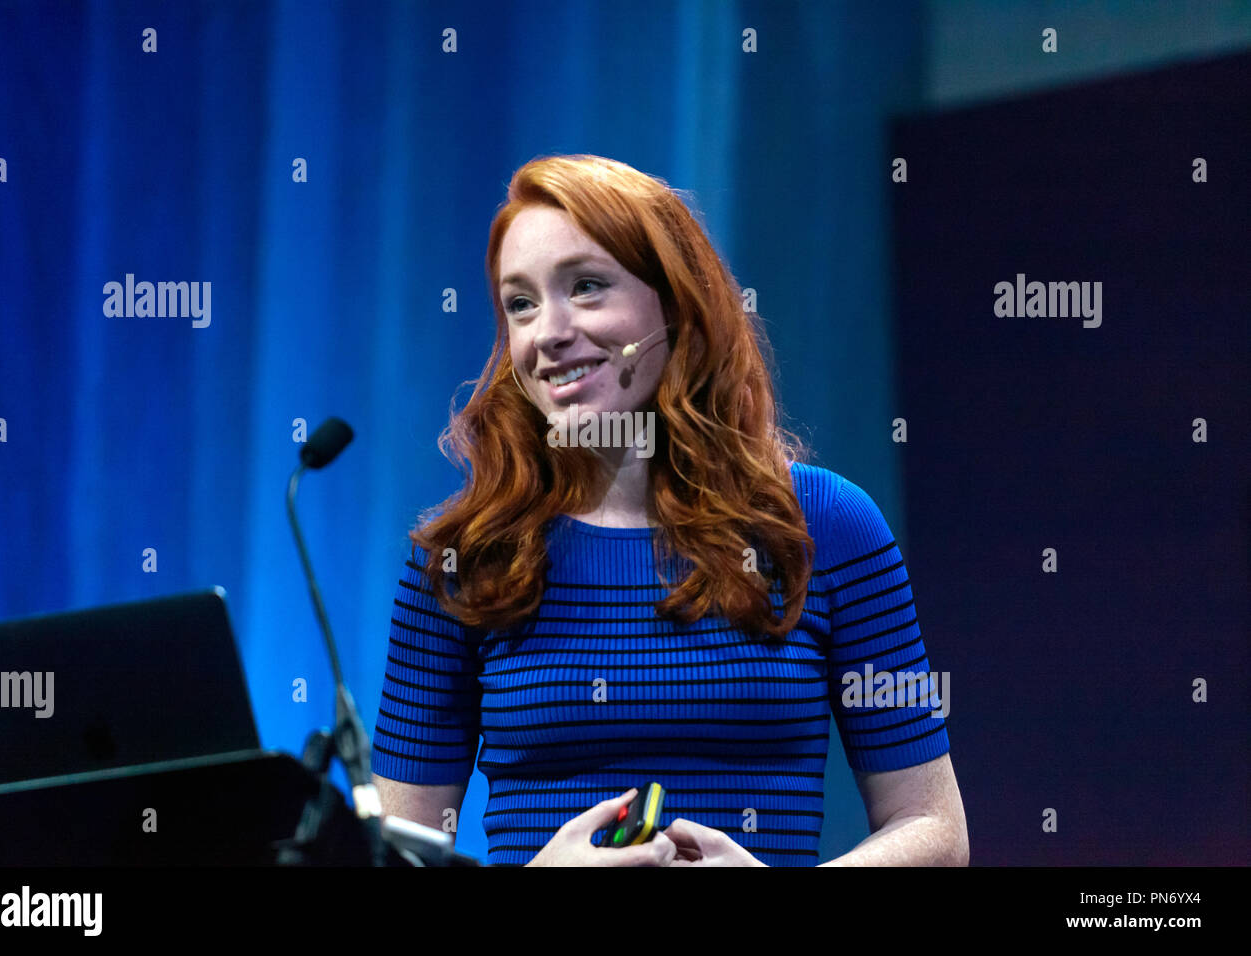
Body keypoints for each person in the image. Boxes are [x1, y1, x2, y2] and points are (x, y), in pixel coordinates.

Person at [371, 154, 967, 867]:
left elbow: (934, 828)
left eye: (586, 288)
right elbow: (396, 860)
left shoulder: (827, 524)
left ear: (677, 307)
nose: (547, 332)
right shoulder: (460, 555)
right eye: (520, 304)